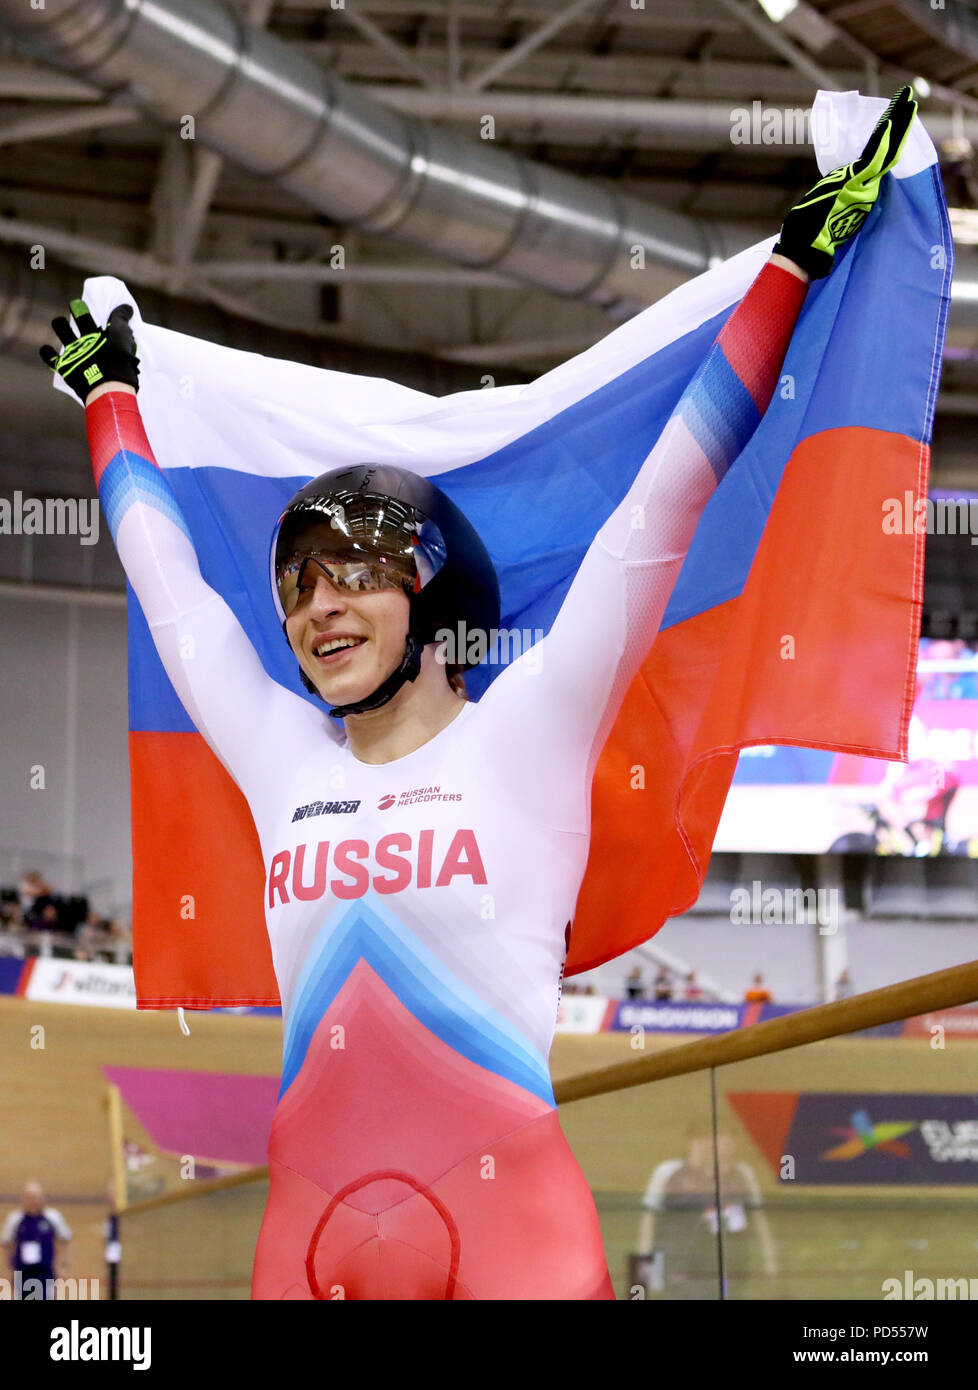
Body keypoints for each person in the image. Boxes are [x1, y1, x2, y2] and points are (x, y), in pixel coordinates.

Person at [40, 89, 917, 1300]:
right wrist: (109, 402)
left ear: (435, 604)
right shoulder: (280, 753)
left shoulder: (531, 731)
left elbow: (665, 496)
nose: (315, 610)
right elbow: (170, 585)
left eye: (354, 578)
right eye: (297, 589)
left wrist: (795, 263)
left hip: (512, 1234)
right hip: (308, 1237)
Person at [1, 1181, 71, 1300]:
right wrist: (9, 1267)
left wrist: (62, 1264)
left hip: (45, 1272)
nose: (33, 1201)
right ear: (23, 1199)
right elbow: (6, 1242)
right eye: (29, 1197)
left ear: (42, 1198)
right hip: (22, 1273)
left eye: (36, 1197)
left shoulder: (53, 1217)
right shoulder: (15, 1219)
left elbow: (65, 1238)